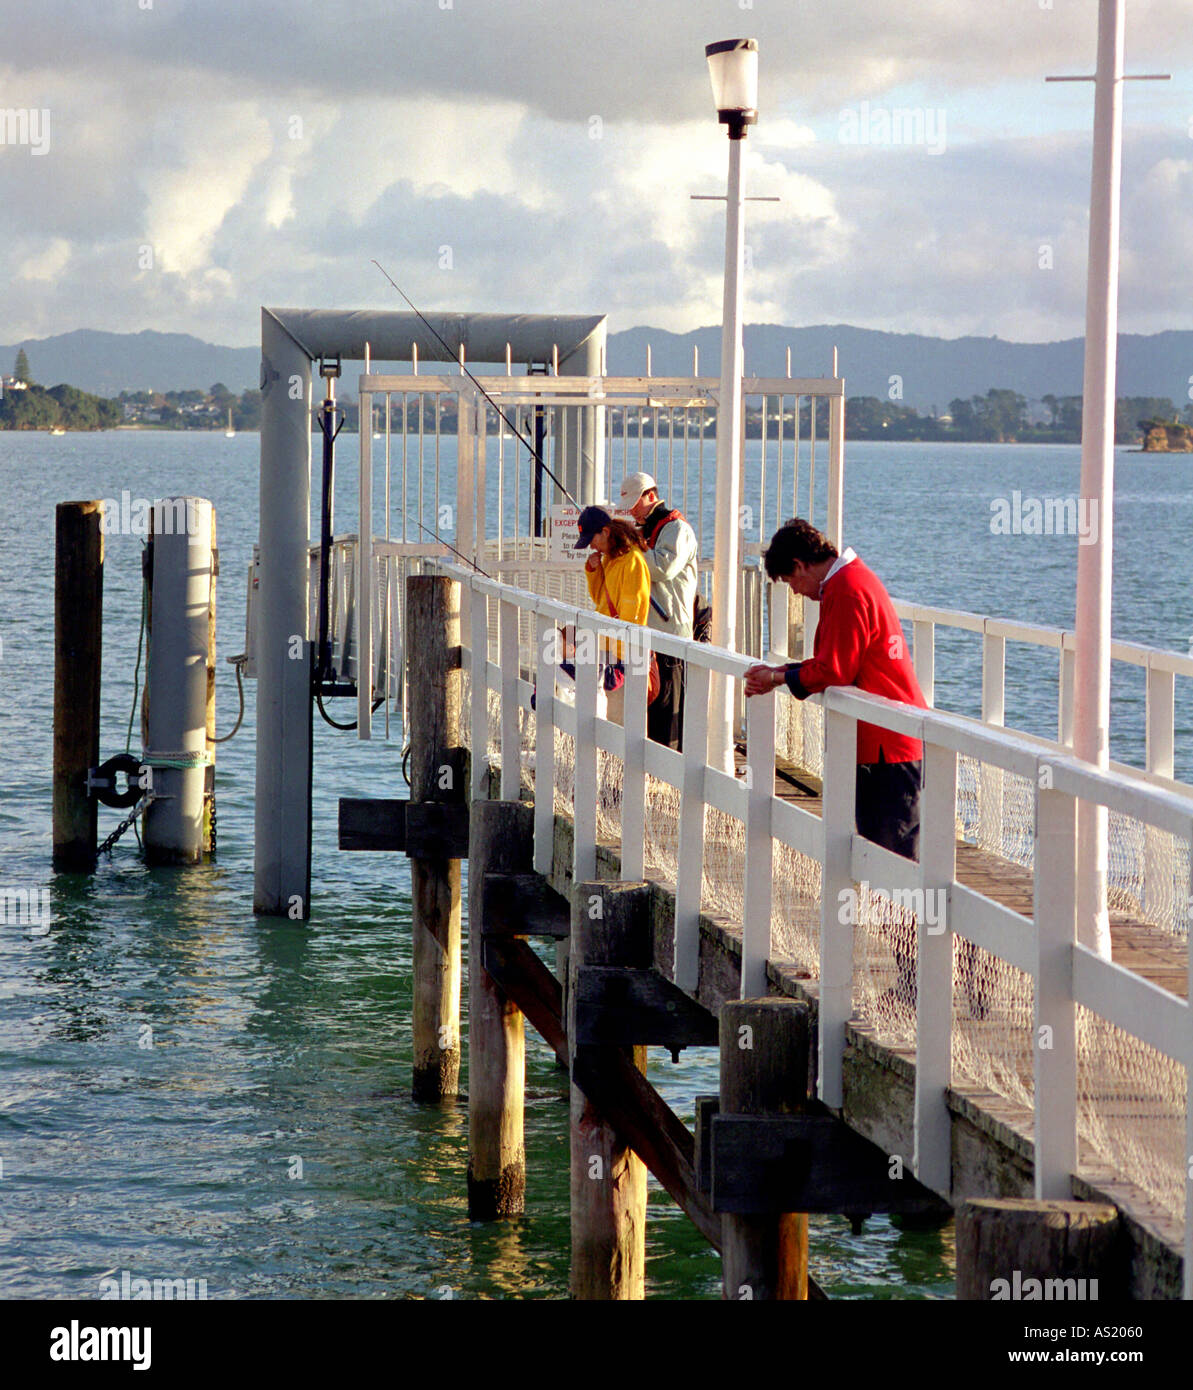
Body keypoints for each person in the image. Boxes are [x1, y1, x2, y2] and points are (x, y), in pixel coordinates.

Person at [744, 519, 927, 1001]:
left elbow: (835, 668)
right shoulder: (854, 578)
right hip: (889, 744)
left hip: (885, 749)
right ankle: (931, 971)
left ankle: (917, 980)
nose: (799, 594)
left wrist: (778, 675)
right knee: (900, 863)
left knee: (894, 867)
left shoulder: (844, 590)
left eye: (791, 581)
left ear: (802, 565)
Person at [619, 471, 698, 749]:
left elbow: (664, 567)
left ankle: (668, 779)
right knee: (650, 709)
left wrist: (628, 553)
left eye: (635, 505)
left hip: (671, 634)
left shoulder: (677, 529)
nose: (632, 512)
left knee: (668, 711)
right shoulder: (651, 531)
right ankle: (652, 777)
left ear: (650, 496)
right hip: (650, 633)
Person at [575, 504, 651, 724]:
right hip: (606, 649)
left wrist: (620, 658)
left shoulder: (632, 560)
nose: (592, 546)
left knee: (618, 720)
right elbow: (600, 599)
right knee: (607, 718)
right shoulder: (611, 557)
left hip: (620, 655)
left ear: (606, 532)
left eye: (592, 539)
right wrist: (593, 570)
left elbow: (632, 612)